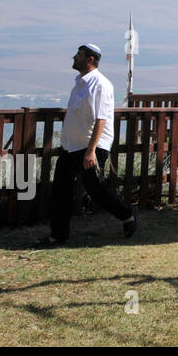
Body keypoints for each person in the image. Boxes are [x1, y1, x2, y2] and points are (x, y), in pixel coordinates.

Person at [43, 43, 136, 245]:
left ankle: (127, 215)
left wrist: (91, 151)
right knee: (61, 190)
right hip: (72, 147)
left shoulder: (100, 84)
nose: (74, 57)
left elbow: (101, 119)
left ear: (90, 59)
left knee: (96, 189)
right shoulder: (80, 82)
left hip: (91, 147)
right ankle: (58, 235)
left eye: (78, 55)